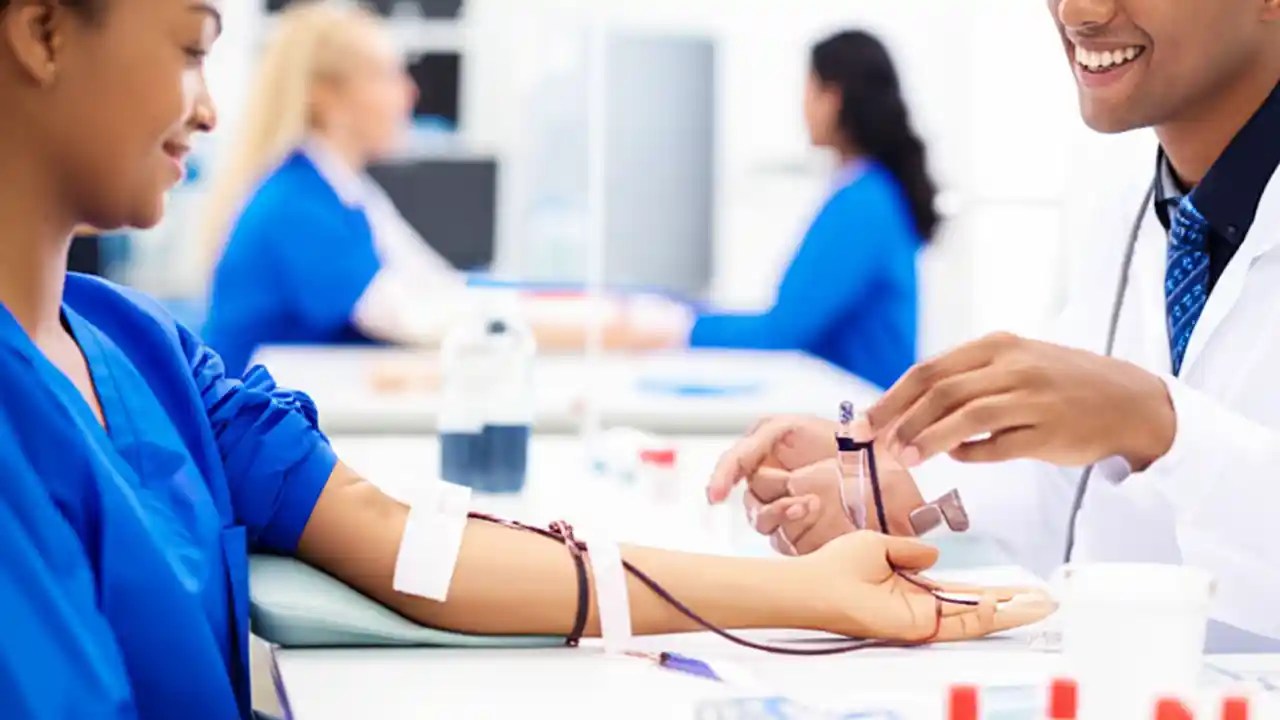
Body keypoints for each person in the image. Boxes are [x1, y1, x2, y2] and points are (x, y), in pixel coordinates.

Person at [0, 1, 1052, 717]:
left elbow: (402, 540)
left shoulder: (145, 354)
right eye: (189, 48)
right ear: (43, 30)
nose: (210, 105)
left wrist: (811, 596)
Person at [708, 0, 1280, 648]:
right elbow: (1071, 498)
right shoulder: (1131, 216)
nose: (1077, 11)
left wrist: (1160, 423)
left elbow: (1154, 438)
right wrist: (890, 479)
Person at [201, 2, 671, 377]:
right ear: (327, 95)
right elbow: (424, 319)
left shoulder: (342, 192)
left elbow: (440, 289)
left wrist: (593, 312)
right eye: (388, 75)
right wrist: (606, 328)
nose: (410, 94)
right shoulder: (297, 209)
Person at [678, 31, 937, 390]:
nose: (804, 105)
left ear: (833, 98)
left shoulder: (863, 204)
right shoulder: (866, 192)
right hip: (853, 405)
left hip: (862, 412)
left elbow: (782, 330)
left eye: (810, 90)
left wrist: (680, 326)